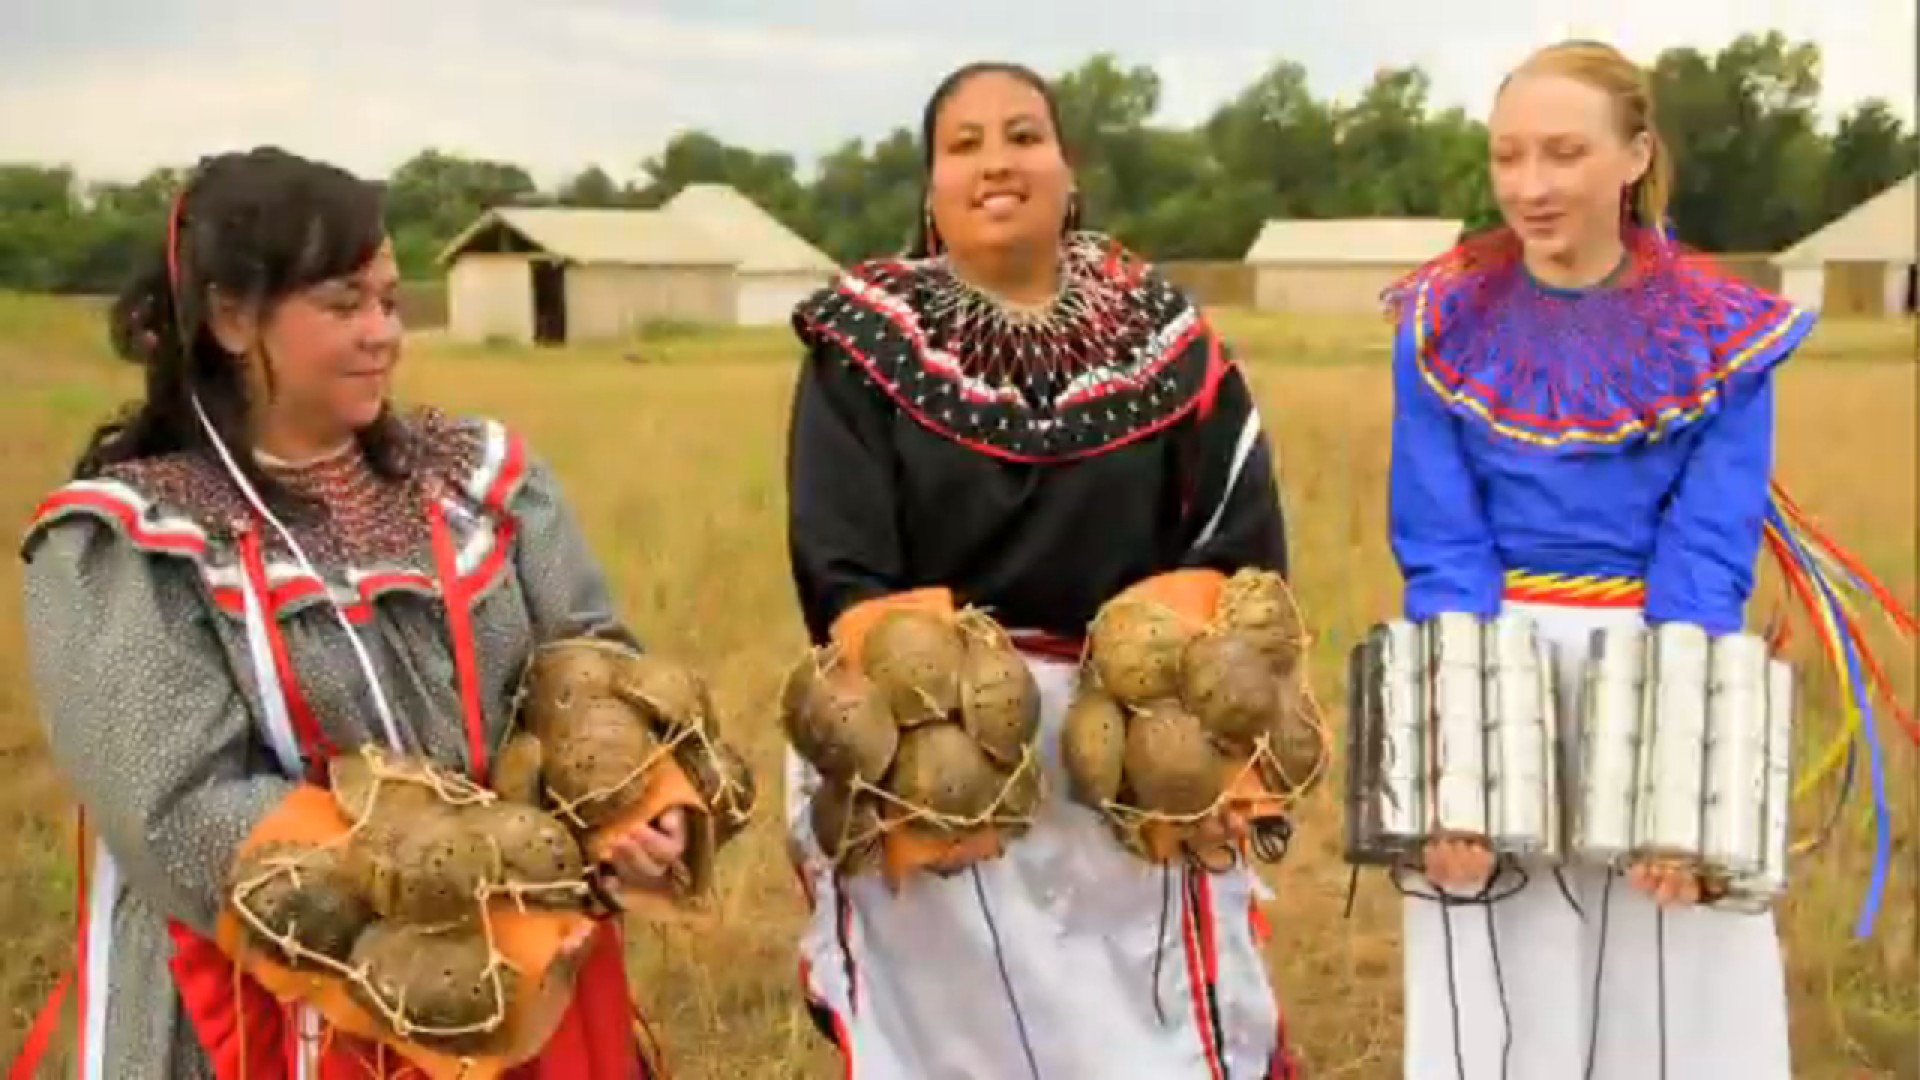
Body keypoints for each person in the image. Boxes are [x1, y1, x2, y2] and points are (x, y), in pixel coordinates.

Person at [14, 147, 693, 1079]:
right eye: (343, 305)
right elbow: (182, 809)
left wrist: (636, 806)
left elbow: (586, 659)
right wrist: (455, 900)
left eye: (388, 298)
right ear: (228, 316)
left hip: (530, 972)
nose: (383, 331)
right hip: (275, 1000)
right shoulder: (131, 542)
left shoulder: (479, 479)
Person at [1382, 39, 1913, 1080]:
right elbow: (1442, 546)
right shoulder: (1439, 323)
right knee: (1496, 994)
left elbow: (1708, 556)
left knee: (1673, 1000)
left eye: (1565, 153)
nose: (1530, 186)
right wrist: (1460, 779)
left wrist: (1683, 789)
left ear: (1633, 157)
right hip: (1489, 669)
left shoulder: (1722, 333)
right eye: (1509, 157)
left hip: (1666, 668)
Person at [781, 60, 1304, 1079]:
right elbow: (841, 567)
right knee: (958, 1037)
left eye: (1023, 135)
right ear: (929, 187)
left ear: (1069, 169)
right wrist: (942, 729)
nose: (995, 163)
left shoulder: (1169, 338)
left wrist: (1176, 724)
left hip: (1136, 742)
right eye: (963, 144)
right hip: (939, 744)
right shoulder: (861, 345)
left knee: (1153, 1028)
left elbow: (1238, 544)